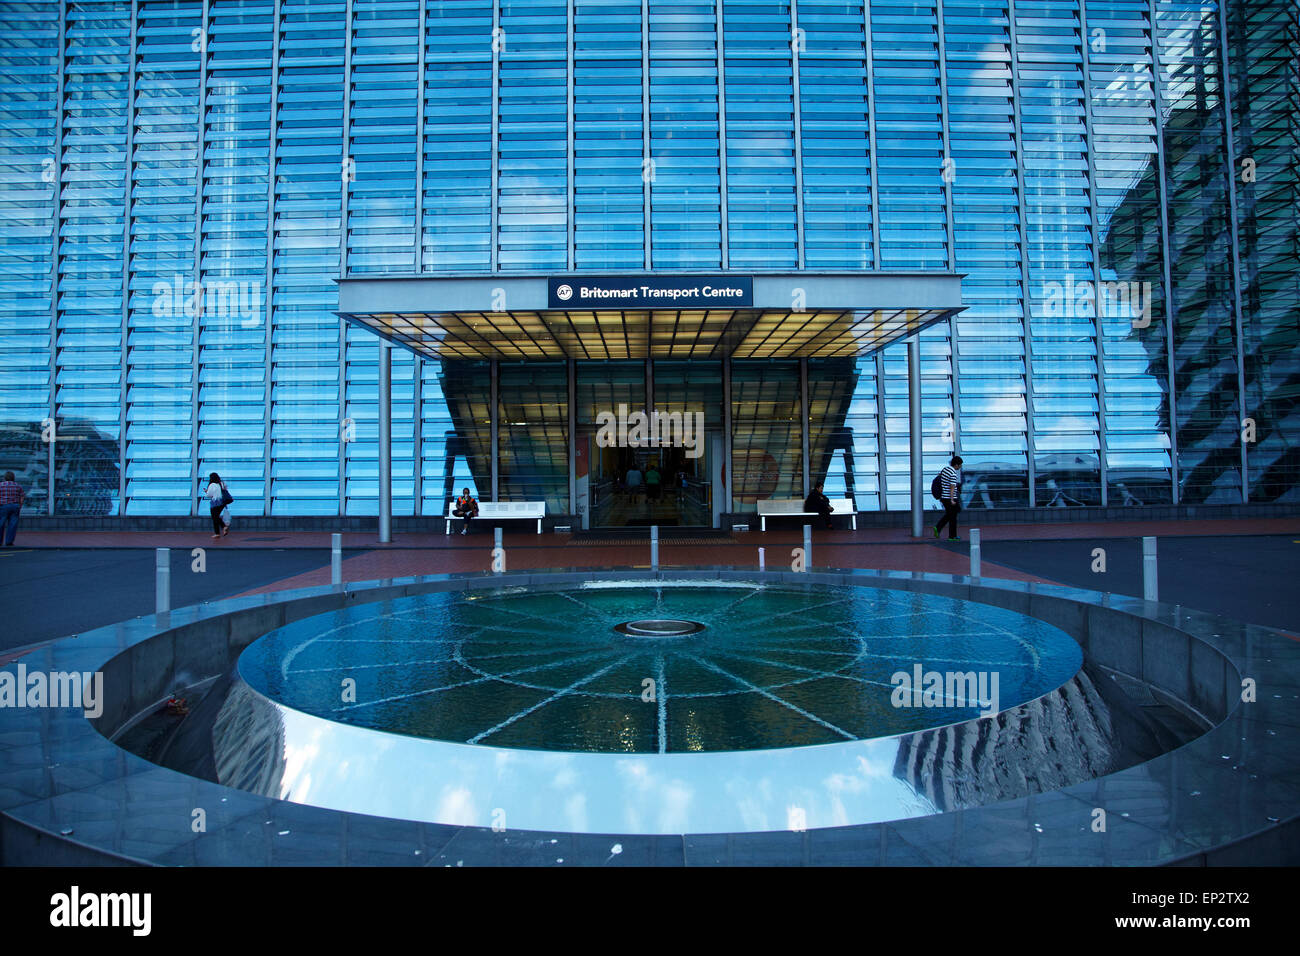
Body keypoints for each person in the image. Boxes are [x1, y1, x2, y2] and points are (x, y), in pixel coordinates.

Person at [933, 455, 964, 540]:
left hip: (943, 497)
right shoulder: (953, 474)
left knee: (950, 515)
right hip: (949, 498)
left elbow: (941, 477)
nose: (960, 467)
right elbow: (952, 487)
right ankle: (952, 536)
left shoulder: (945, 469)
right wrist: (952, 499)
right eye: (960, 465)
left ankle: (938, 528)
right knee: (953, 517)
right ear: (956, 465)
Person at [0, 471, 26, 547]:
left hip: (3, 506)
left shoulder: (0, 485)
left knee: (1, 523)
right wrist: (20, 505)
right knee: (12, 525)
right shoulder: (18, 486)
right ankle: (9, 541)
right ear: (13, 478)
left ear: (5, 478)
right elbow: (22, 496)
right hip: (15, 506)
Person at [203, 472, 231, 539]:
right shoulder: (221, 483)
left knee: (214, 517)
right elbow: (225, 490)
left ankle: (221, 529)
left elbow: (209, 495)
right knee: (216, 517)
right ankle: (220, 531)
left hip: (215, 503)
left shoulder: (212, 485)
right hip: (222, 502)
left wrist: (206, 491)